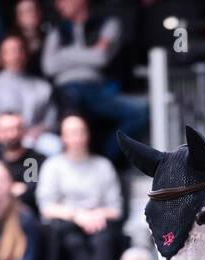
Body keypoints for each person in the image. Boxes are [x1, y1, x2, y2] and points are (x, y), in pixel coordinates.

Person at [43, 0, 149, 158]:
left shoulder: (108, 24)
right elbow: (49, 66)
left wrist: (64, 55)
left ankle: (105, 158)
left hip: (101, 91)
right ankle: (73, 160)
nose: (58, 5)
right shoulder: (56, 30)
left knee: (143, 110)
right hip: (67, 90)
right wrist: (88, 54)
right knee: (71, 97)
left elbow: (101, 58)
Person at [37, 115, 122, 260]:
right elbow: (46, 207)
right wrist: (77, 215)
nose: (78, 137)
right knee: (73, 241)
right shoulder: (52, 166)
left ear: (88, 135)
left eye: (81, 132)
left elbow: (116, 209)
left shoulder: (103, 166)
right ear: (63, 137)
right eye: (72, 133)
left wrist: (96, 215)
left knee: (103, 239)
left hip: (99, 223)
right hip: (65, 226)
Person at [0, 34, 60, 155]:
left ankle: (30, 174)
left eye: (19, 50)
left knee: (54, 146)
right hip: (3, 139)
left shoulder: (42, 86)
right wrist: (7, 133)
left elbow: (51, 120)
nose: (16, 55)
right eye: (11, 51)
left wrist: (36, 131)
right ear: (2, 56)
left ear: (26, 54)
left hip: (35, 139)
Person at [0, 111, 45, 209]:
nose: (11, 134)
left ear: (23, 131)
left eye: (16, 129)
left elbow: (28, 195)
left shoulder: (32, 161)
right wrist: (11, 188)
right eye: (5, 130)